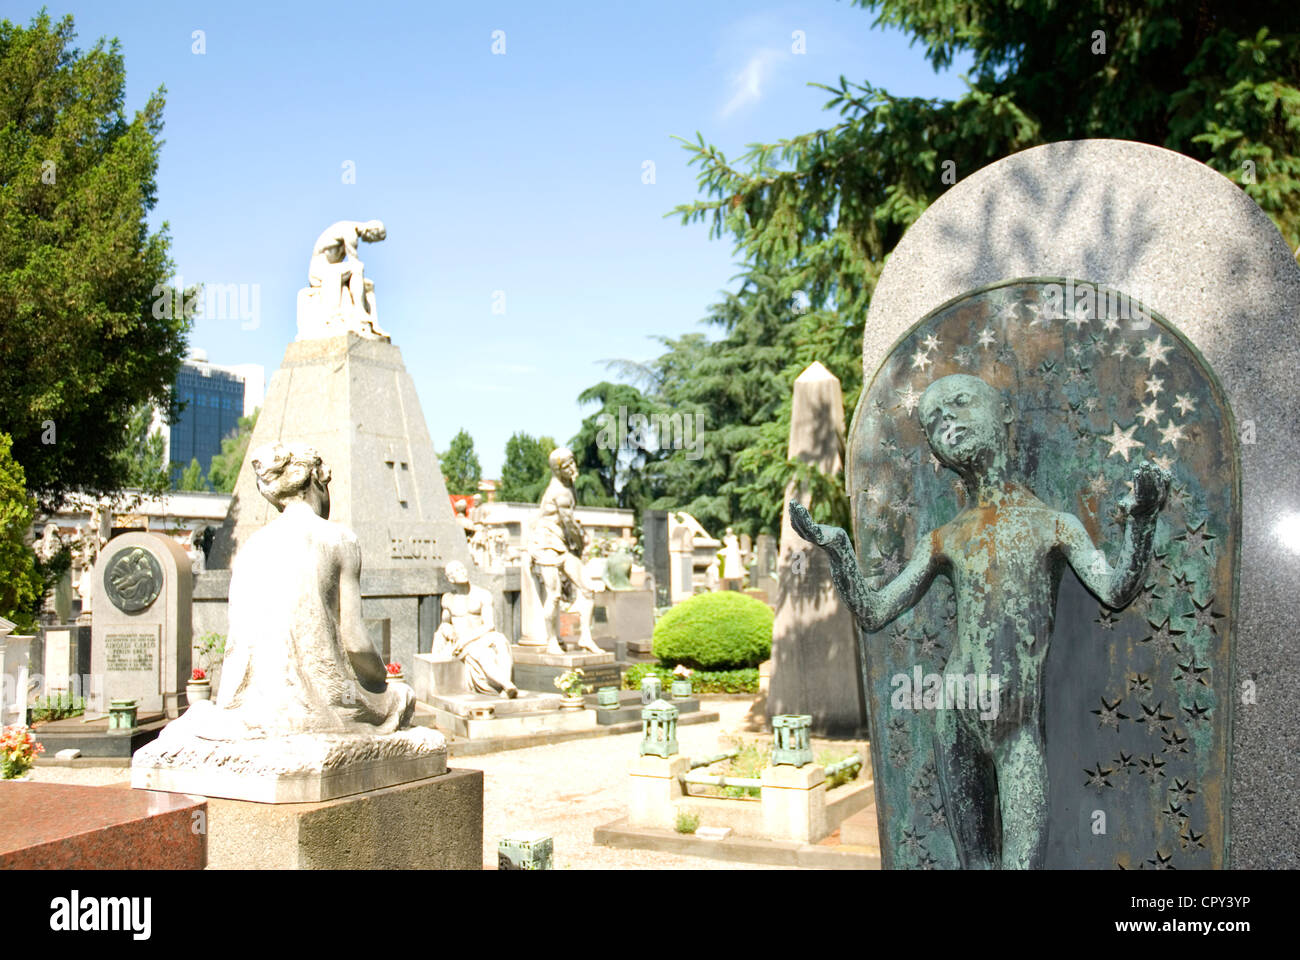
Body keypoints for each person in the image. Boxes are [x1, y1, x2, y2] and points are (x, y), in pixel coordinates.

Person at [791, 373, 1168, 869]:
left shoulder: (1054, 524)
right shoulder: (945, 537)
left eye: (960, 404)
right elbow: (874, 611)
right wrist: (838, 549)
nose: (948, 423)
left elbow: (1117, 590)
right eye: (935, 422)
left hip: (1017, 723)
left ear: (1005, 412)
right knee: (975, 863)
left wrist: (1141, 521)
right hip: (954, 712)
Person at [180, 441, 414, 739]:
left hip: (253, 703)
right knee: (401, 696)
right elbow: (355, 643)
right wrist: (381, 677)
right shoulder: (338, 539)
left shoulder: (252, 547)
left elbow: (238, 644)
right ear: (315, 480)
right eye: (327, 482)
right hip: (322, 703)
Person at [527, 447, 601, 654]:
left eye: (572, 462)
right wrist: (580, 543)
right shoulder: (560, 492)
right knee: (554, 595)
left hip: (560, 544)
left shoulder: (568, 486)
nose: (572, 467)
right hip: (546, 544)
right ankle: (551, 641)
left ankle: (585, 637)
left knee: (587, 588)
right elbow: (569, 523)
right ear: (557, 470)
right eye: (566, 465)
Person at [434, 561, 517, 698]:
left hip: (481, 635)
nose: (461, 571)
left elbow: (490, 625)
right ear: (450, 578)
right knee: (482, 653)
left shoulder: (482, 594)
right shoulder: (448, 599)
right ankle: (507, 685)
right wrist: (448, 630)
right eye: (456, 570)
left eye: (462, 568)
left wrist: (466, 639)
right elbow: (445, 623)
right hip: (462, 642)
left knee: (501, 640)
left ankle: (507, 685)